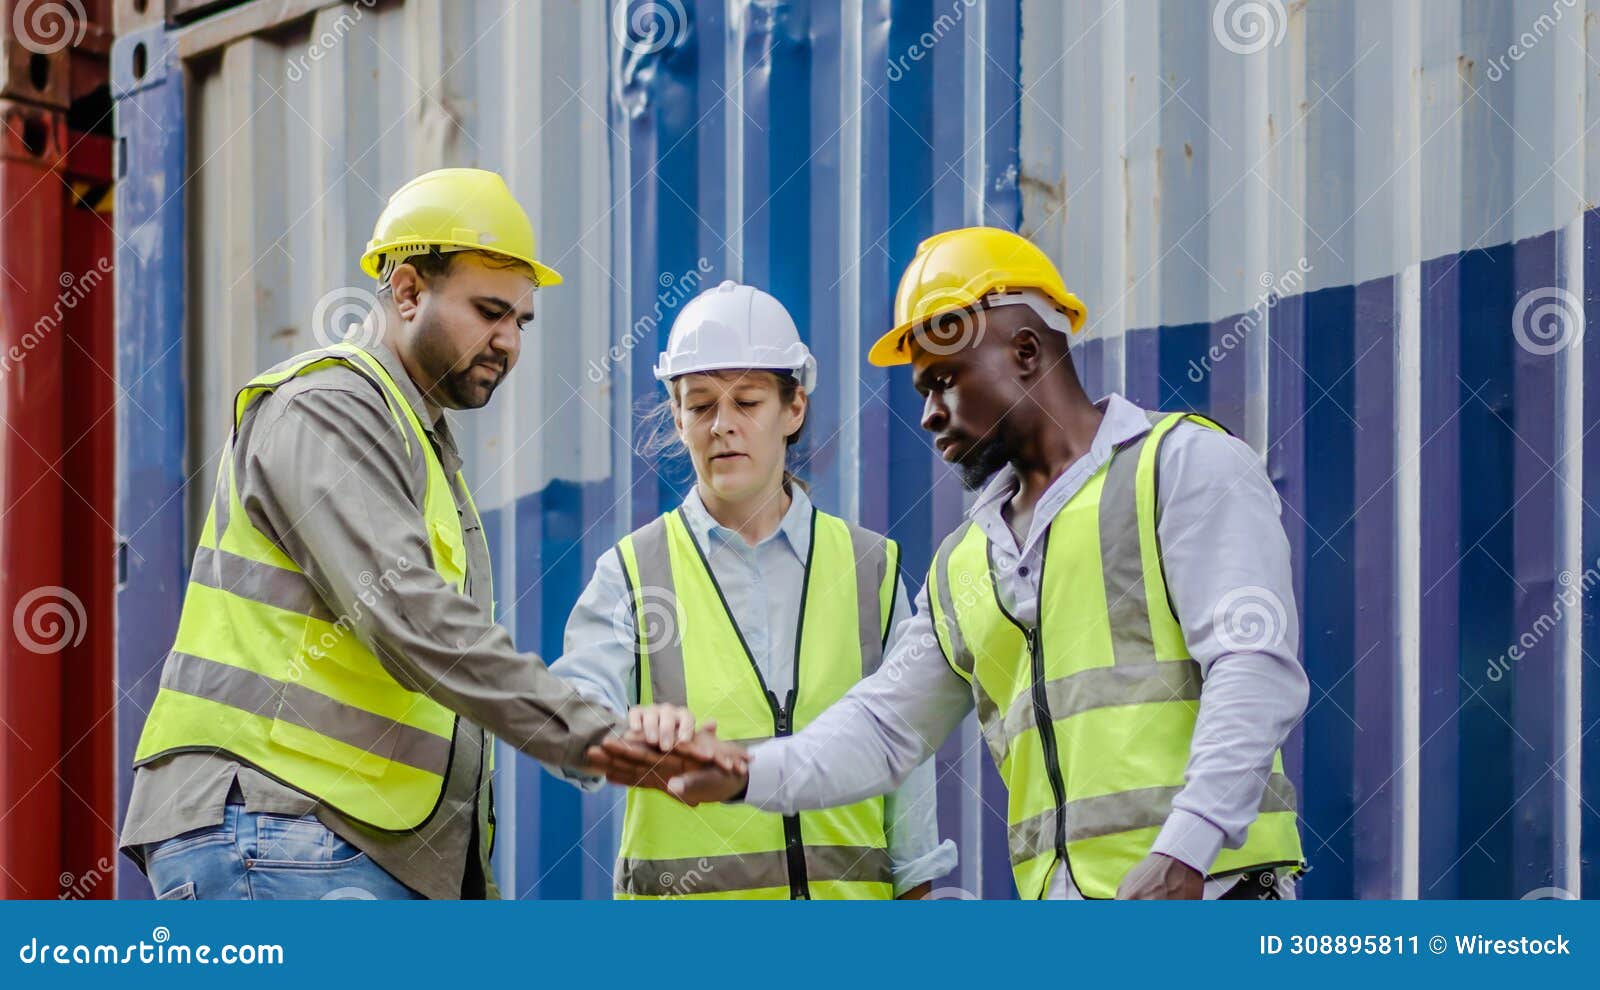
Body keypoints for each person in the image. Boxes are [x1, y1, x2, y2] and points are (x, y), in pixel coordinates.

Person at [593, 228, 1310, 900]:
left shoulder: (1180, 468)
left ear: (1026, 352)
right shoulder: (967, 563)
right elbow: (881, 732)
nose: (930, 413)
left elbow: (1254, 669)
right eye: (922, 391)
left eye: (945, 381)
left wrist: (1184, 850)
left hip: (1214, 897)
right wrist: (744, 773)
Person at [118, 168, 712, 900]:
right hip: (278, 826)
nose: (508, 343)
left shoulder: (420, 448)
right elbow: (411, 618)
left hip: (343, 842)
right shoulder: (326, 409)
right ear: (405, 292)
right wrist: (594, 735)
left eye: (520, 322)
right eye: (489, 311)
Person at [552, 280, 955, 899]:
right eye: (700, 404)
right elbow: (569, 718)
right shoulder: (633, 572)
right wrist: (626, 729)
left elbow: (908, 775)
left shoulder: (870, 569)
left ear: (793, 409)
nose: (722, 426)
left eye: (747, 401)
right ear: (678, 418)